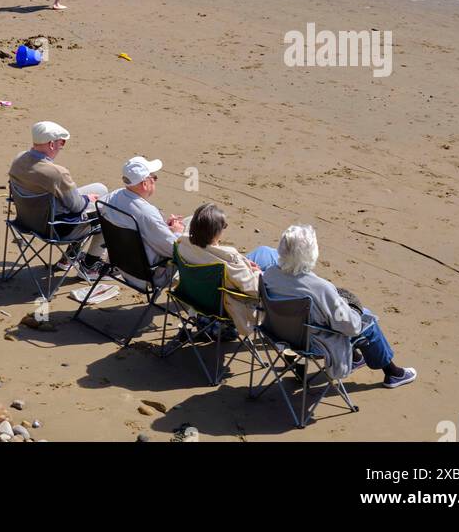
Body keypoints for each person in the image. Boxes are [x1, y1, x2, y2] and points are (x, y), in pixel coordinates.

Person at [261, 223, 417, 387]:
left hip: (279, 335)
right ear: (312, 253)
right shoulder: (320, 288)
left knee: (328, 315)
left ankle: (356, 358)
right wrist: (351, 307)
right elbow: (352, 327)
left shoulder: (270, 275)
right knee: (366, 319)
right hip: (313, 344)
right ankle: (393, 373)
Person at [9, 121, 109, 275]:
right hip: (54, 229)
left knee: (100, 188)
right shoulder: (56, 173)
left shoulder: (19, 159)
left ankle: (68, 258)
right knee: (108, 216)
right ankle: (89, 266)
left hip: (26, 220)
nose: (62, 146)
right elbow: (77, 206)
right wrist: (88, 199)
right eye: (61, 142)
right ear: (50, 144)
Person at [176, 203, 279, 337]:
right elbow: (255, 289)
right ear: (215, 232)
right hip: (226, 308)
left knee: (263, 251)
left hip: (197, 299)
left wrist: (245, 263)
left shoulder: (182, 246)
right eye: (223, 226)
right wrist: (255, 272)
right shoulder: (228, 259)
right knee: (270, 258)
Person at [105, 155, 185, 269]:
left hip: (121, 264)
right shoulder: (147, 213)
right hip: (150, 273)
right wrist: (177, 232)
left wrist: (162, 226)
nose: (155, 180)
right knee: (191, 223)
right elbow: (174, 251)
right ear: (145, 184)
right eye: (154, 178)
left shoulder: (113, 196)